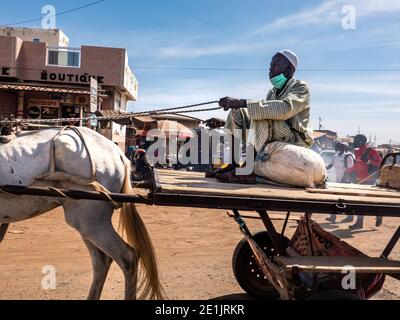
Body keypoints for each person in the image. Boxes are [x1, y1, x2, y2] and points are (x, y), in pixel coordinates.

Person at [206, 50, 314, 183]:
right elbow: (262, 115)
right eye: (270, 65)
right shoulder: (272, 92)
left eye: (275, 65)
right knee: (238, 111)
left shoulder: (300, 87)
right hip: (279, 132)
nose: (270, 69)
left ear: (289, 69)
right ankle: (233, 164)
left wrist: (242, 102)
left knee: (261, 114)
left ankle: (248, 170)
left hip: (295, 137)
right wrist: (225, 121)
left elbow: (285, 109)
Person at [347, 134, 383, 230]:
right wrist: (348, 172)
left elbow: (380, 163)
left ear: (360, 141)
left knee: (365, 202)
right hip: (360, 180)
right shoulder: (357, 152)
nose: (353, 142)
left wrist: (369, 161)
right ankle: (360, 223)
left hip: (368, 180)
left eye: (355, 140)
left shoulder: (371, 151)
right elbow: (357, 164)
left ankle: (379, 214)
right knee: (360, 202)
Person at [325, 142, 355, 223]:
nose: (338, 149)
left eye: (339, 147)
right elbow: (330, 165)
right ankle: (333, 217)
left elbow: (351, 170)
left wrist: (344, 179)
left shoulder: (348, 157)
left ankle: (350, 217)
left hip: (345, 182)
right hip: (337, 181)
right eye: (337, 147)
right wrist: (323, 169)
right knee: (335, 199)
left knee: (346, 200)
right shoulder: (335, 156)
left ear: (343, 148)